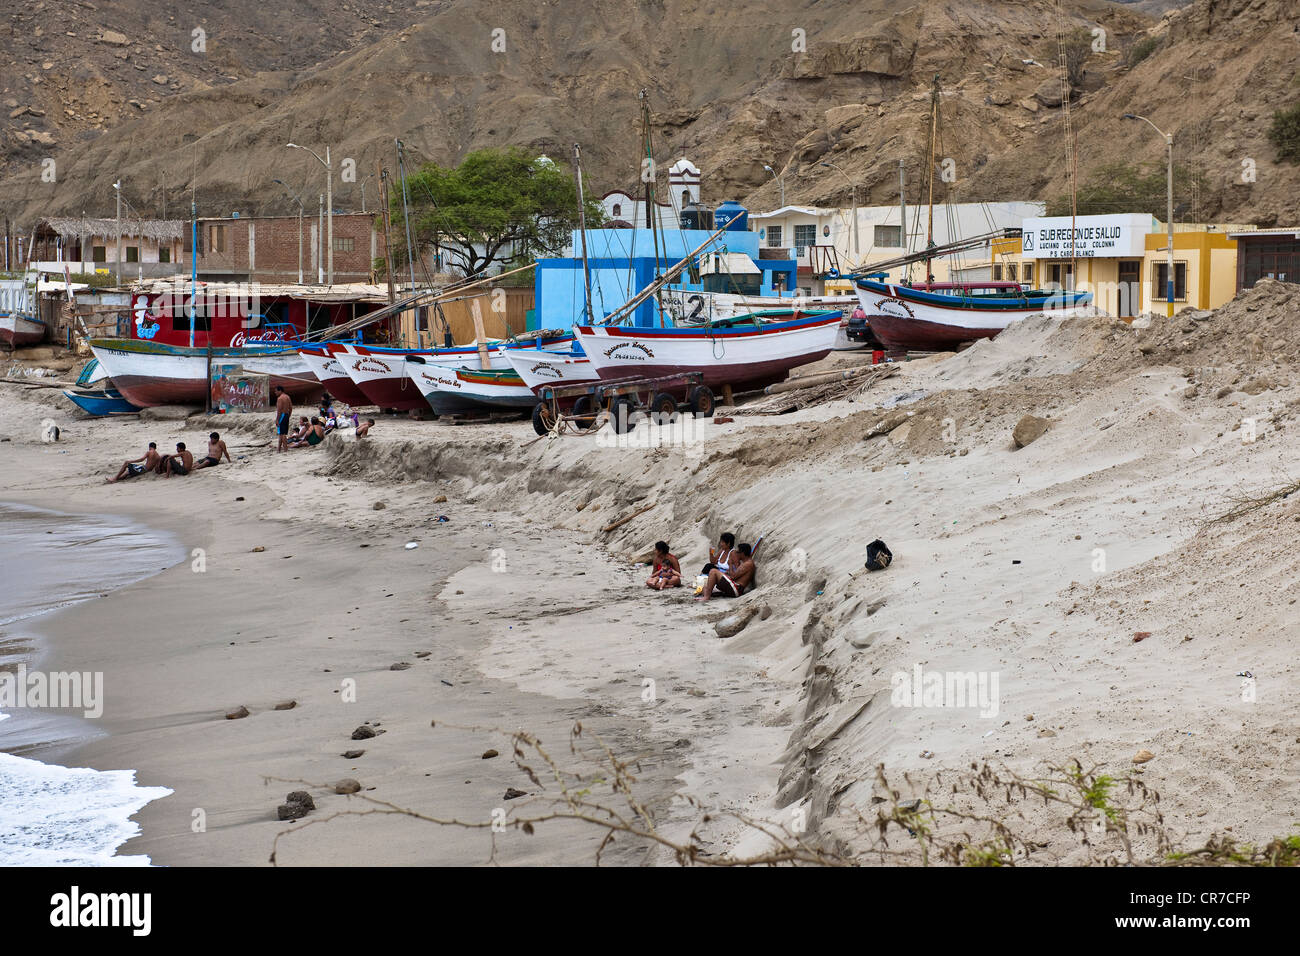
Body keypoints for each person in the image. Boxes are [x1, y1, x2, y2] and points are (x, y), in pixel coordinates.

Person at [275, 386, 293, 452]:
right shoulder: (287, 397)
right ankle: (278, 449)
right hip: (286, 415)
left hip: (282, 415)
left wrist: (277, 419)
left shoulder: (280, 398)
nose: (275, 392)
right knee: (282, 433)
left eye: (276, 391)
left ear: (280, 391)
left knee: (282, 434)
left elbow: (279, 410)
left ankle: (285, 449)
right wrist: (289, 415)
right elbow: (291, 408)